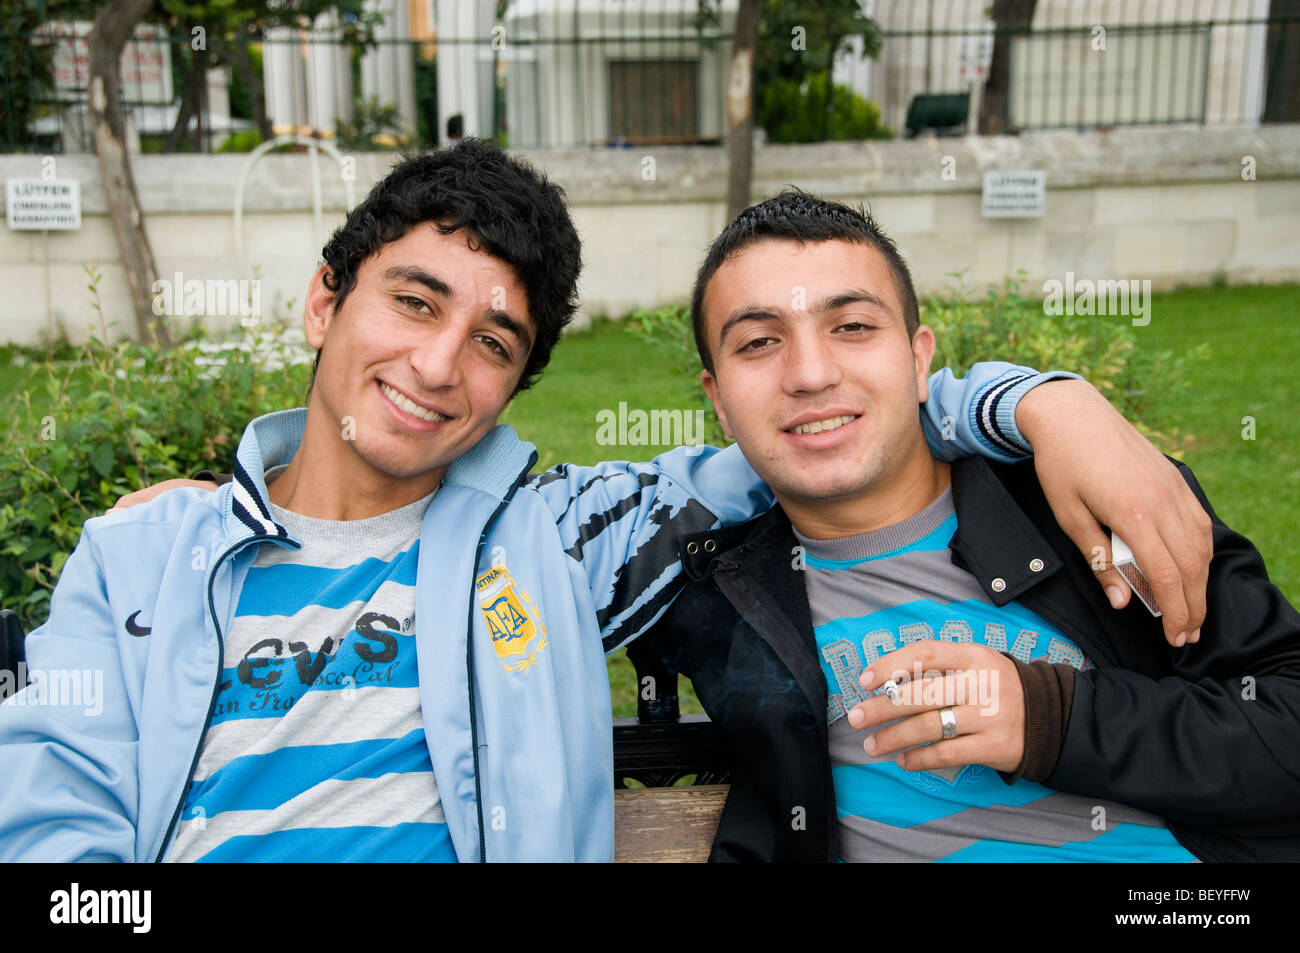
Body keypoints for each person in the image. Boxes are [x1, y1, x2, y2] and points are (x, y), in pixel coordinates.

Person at [0, 142, 1214, 863]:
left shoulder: (563, 537)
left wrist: (1040, 402)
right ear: (326, 304)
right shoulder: (143, 557)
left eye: (492, 340)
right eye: (412, 303)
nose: (437, 367)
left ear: (516, 383)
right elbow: (52, 828)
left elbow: (824, 419)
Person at [638, 190, 1300, 862]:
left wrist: (1050, 719)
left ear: (920, 358)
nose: (810, 374)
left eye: (854, 327)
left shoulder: (1091, 503)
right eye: (758, 342)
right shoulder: (711, 580)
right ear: (717, 399)